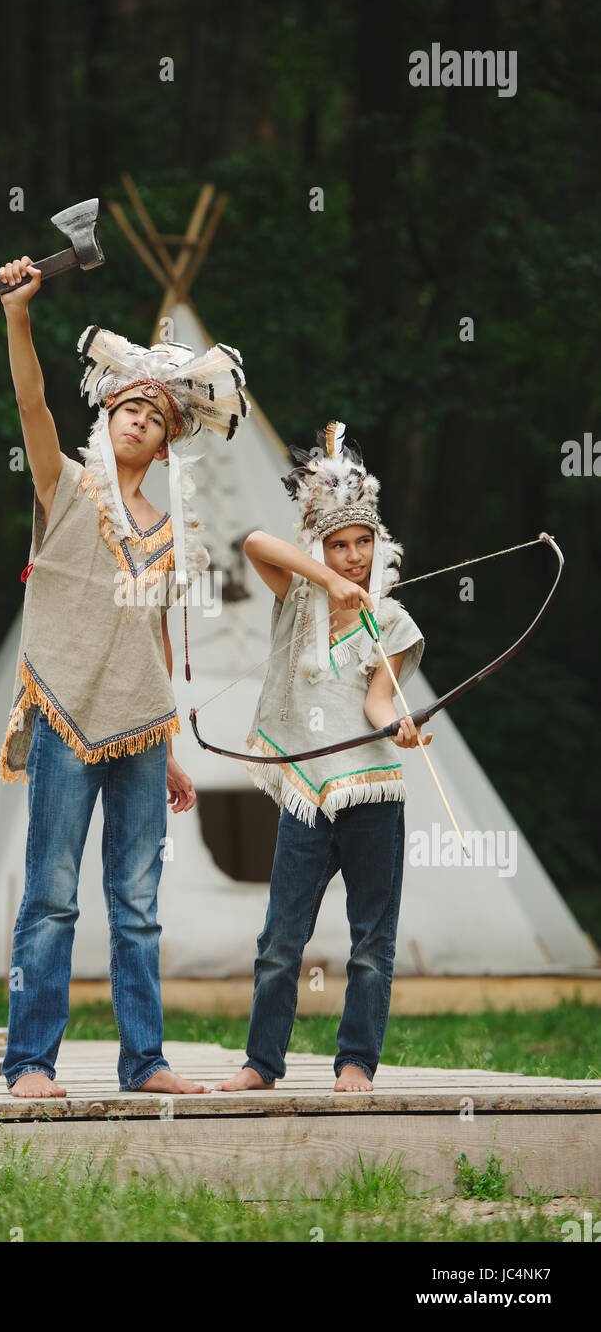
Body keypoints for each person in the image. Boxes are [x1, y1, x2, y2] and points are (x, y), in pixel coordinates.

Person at [0, 255, 249, 1098]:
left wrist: (172, 748)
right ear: (103, 416)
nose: (137, 418)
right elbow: (32, 403)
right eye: (126, 405)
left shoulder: (175, 536)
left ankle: (145, 1061)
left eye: (153, 411)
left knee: (137, 905)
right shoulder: (63, 488)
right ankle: (30, 1063)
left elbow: (150, 644)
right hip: (65, 709)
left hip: (141, 727)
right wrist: (20, 316)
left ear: (171, 435)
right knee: (53, 898)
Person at [216, 420, 429, 1095]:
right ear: (321, 549)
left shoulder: (389, 621)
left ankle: (355, 1062)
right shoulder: (299, 597)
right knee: (281, 942)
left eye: (362, 543)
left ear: (377, 544)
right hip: (309, 790)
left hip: (371, 789)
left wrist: (399, 725)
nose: (353, 557)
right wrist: (326, 581)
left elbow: (375, 703)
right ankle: (261, 1061)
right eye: (339, 545)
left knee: (371, 942)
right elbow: (253, 542)